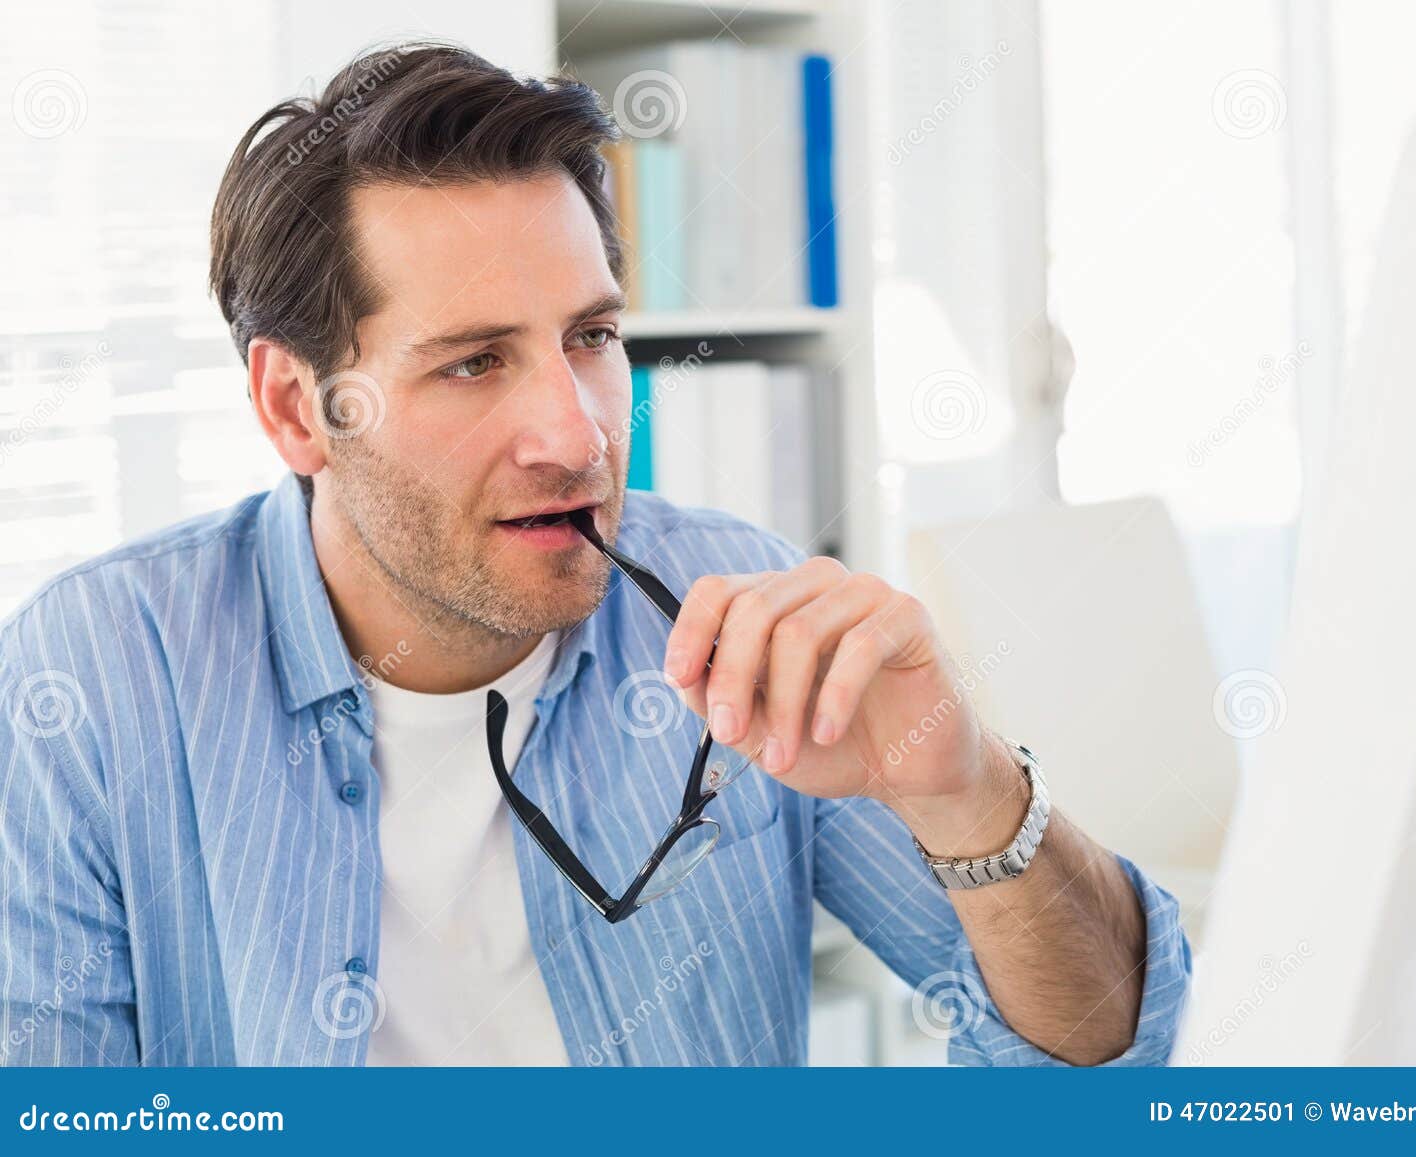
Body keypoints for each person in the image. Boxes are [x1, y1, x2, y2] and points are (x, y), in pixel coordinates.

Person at [0, 42, 1188, 1067]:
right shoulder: (100, 674)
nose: (577, 433)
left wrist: (965, 785)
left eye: (592, 336)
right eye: (473, 361)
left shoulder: (745, 609)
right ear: (297, 407)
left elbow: (1105, 1056)